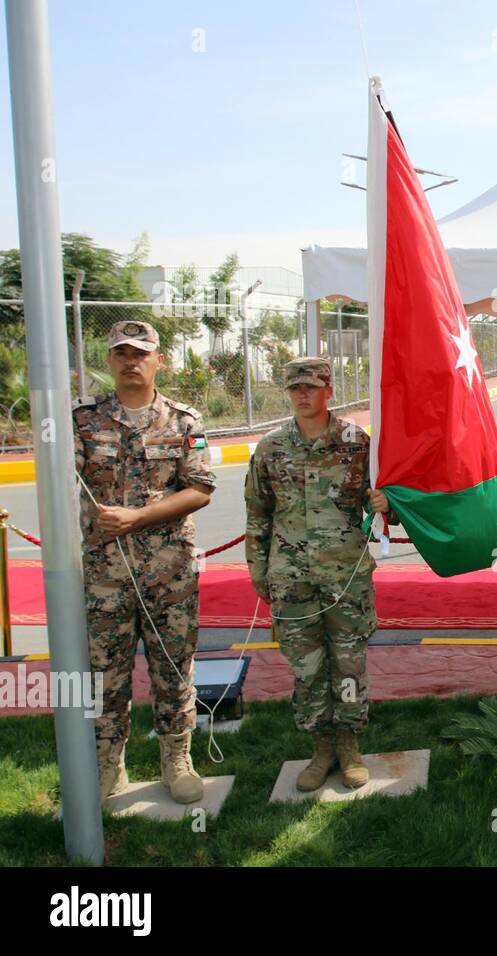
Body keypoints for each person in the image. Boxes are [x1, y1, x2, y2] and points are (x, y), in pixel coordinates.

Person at [74, 319, 215, 803]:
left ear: (159, 360)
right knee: (102, 673)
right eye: (121, 354)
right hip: (104, 576)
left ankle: (176, 757)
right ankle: (107, 764)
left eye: (140, 353)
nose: (131, 362)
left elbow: (200, 489)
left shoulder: (183, 422)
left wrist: (138, 517)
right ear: (110, 361)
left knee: (174, 669)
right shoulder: (83, 421)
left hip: (168, 572)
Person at [245, 357, 391, 791]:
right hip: (291, 579)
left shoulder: (355, 442)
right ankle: (319, 747)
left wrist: (387, 504)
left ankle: (348, 745)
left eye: (311, 387)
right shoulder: (271, 447)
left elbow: (382, 501)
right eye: (295, 389)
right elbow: (258, 512)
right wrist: (259, 571)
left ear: (328, 390)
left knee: (347, 663)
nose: (303, 395)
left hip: (345, 576)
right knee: (306, 667)